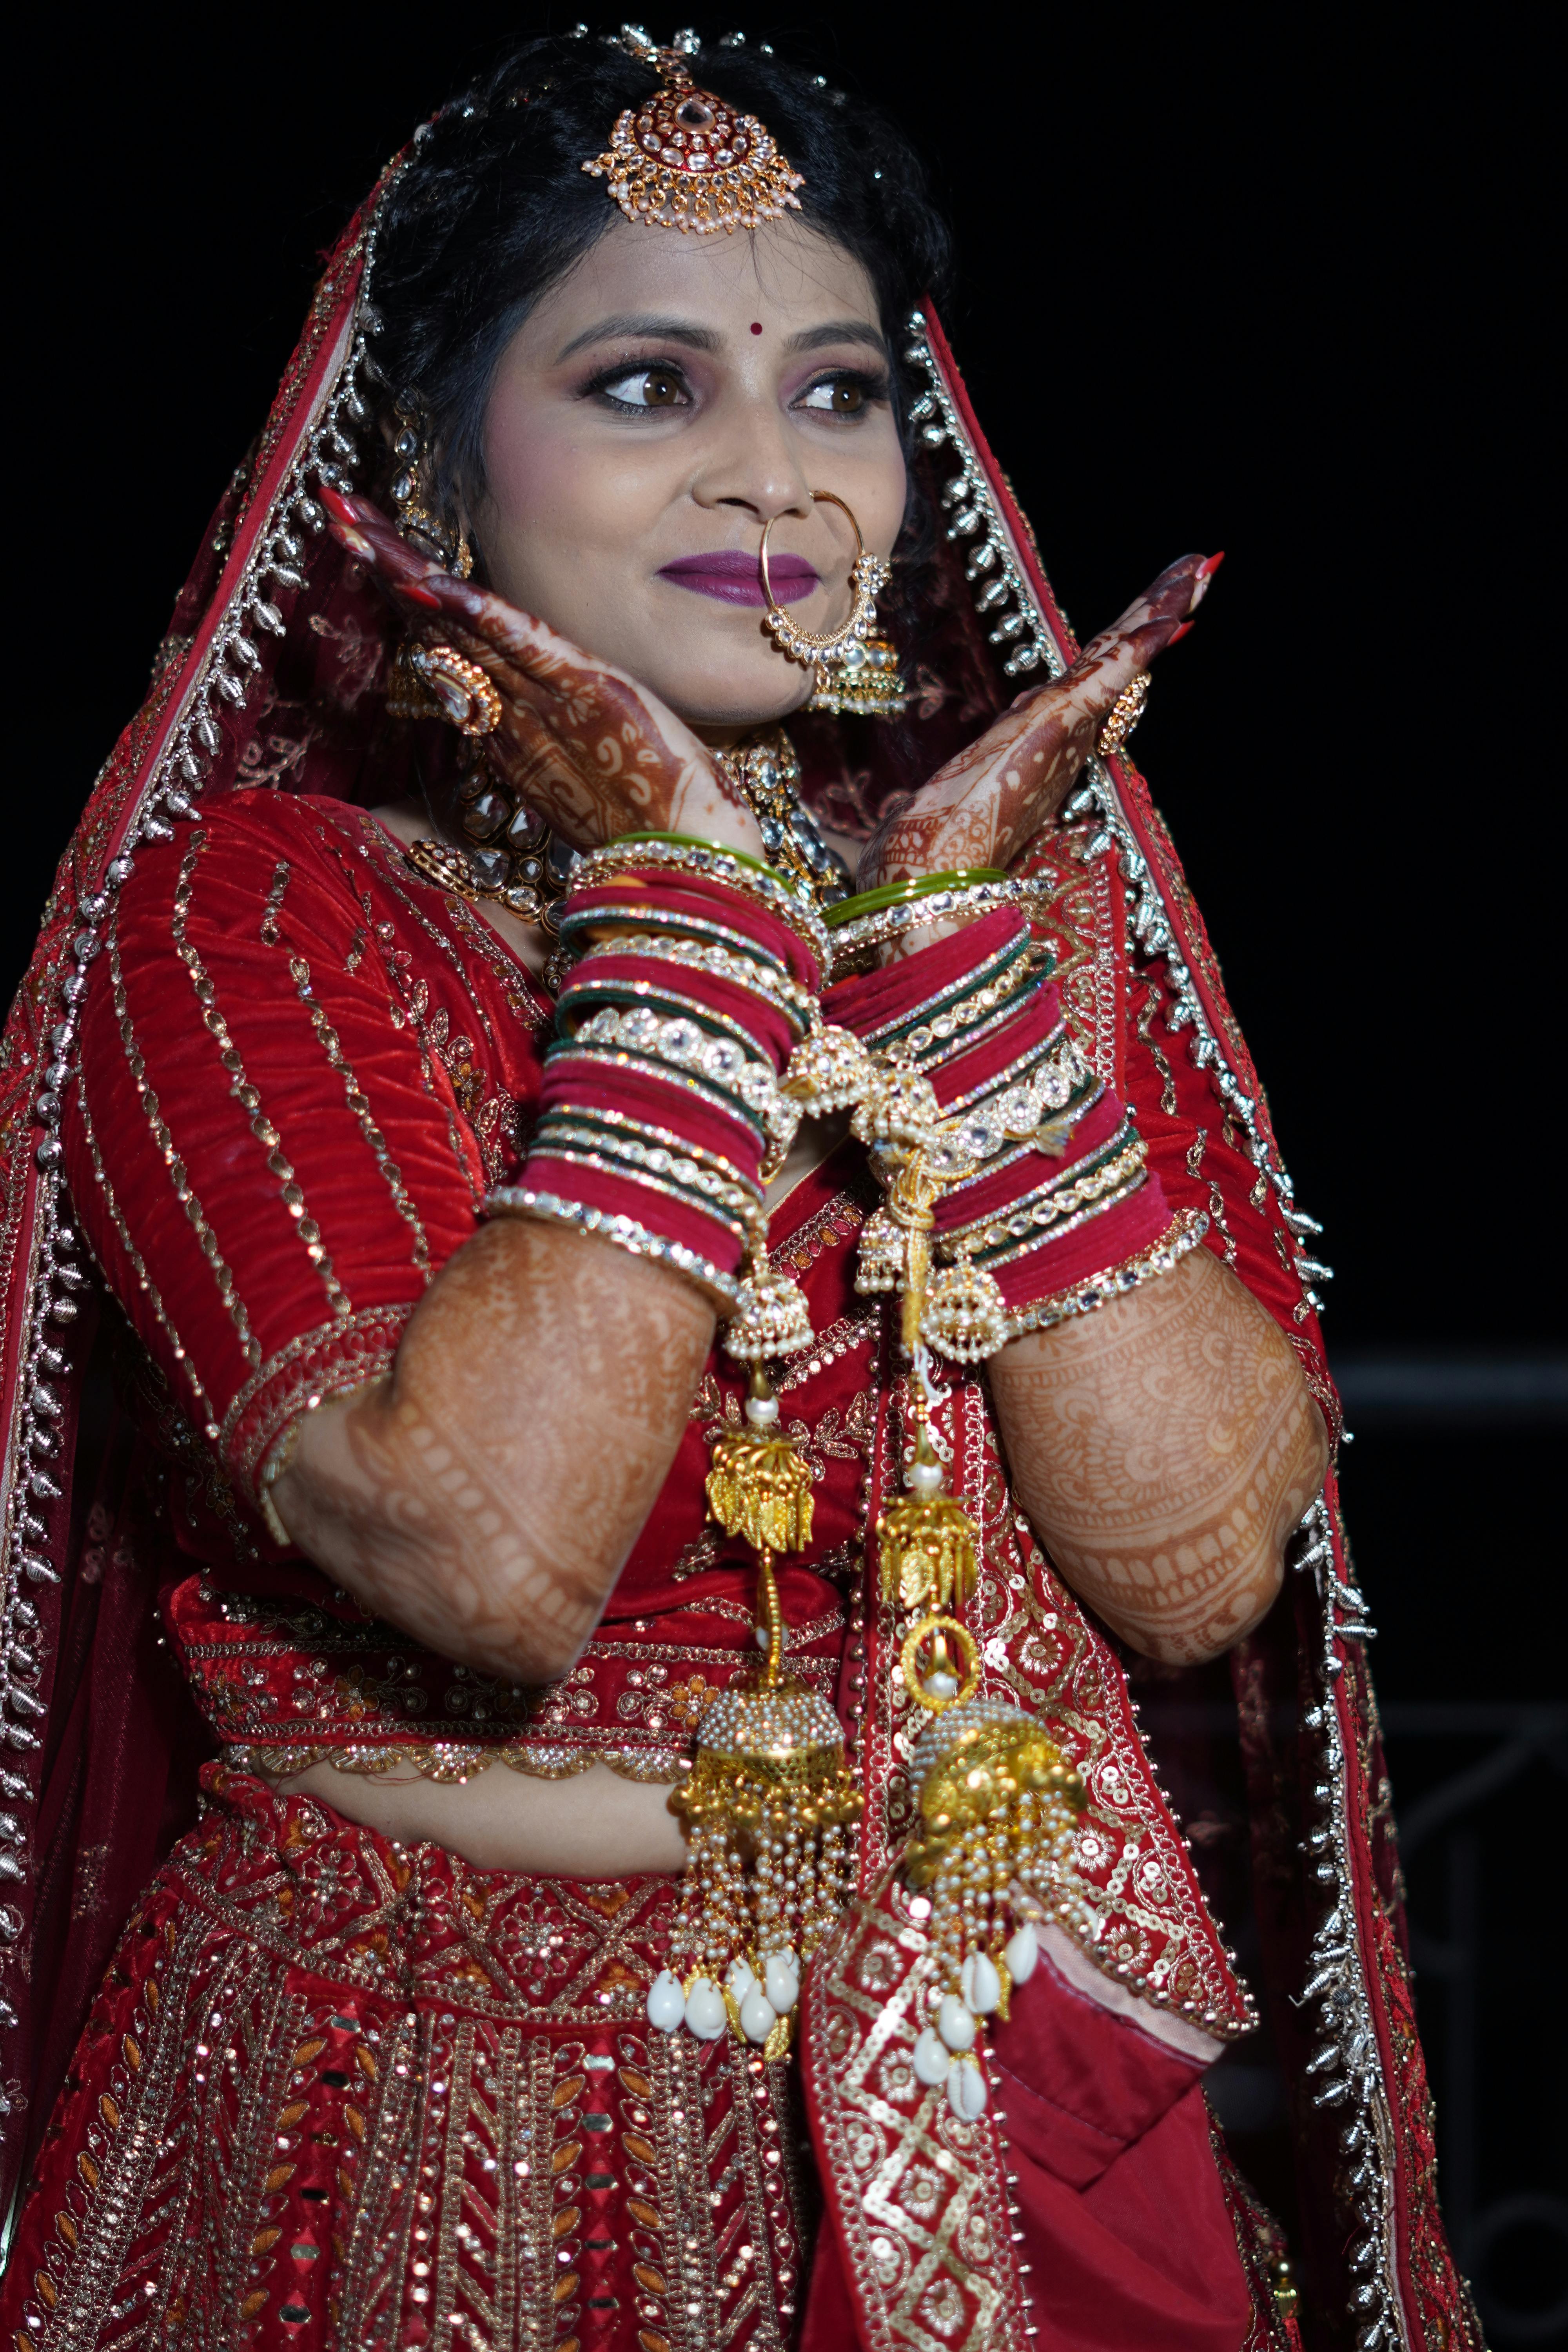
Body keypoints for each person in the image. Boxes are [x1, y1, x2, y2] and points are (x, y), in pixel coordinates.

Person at [0, 28, 1475, 2350]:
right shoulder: (258, 917)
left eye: (840, 393)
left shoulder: (1016, 918)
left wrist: (962, 1000)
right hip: (432, 2115)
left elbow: (1200, 1566)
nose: (775, 477)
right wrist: (690, 921)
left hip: (1010, 2095)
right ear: (429, 461)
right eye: (643, 384)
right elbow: (483, 1551)